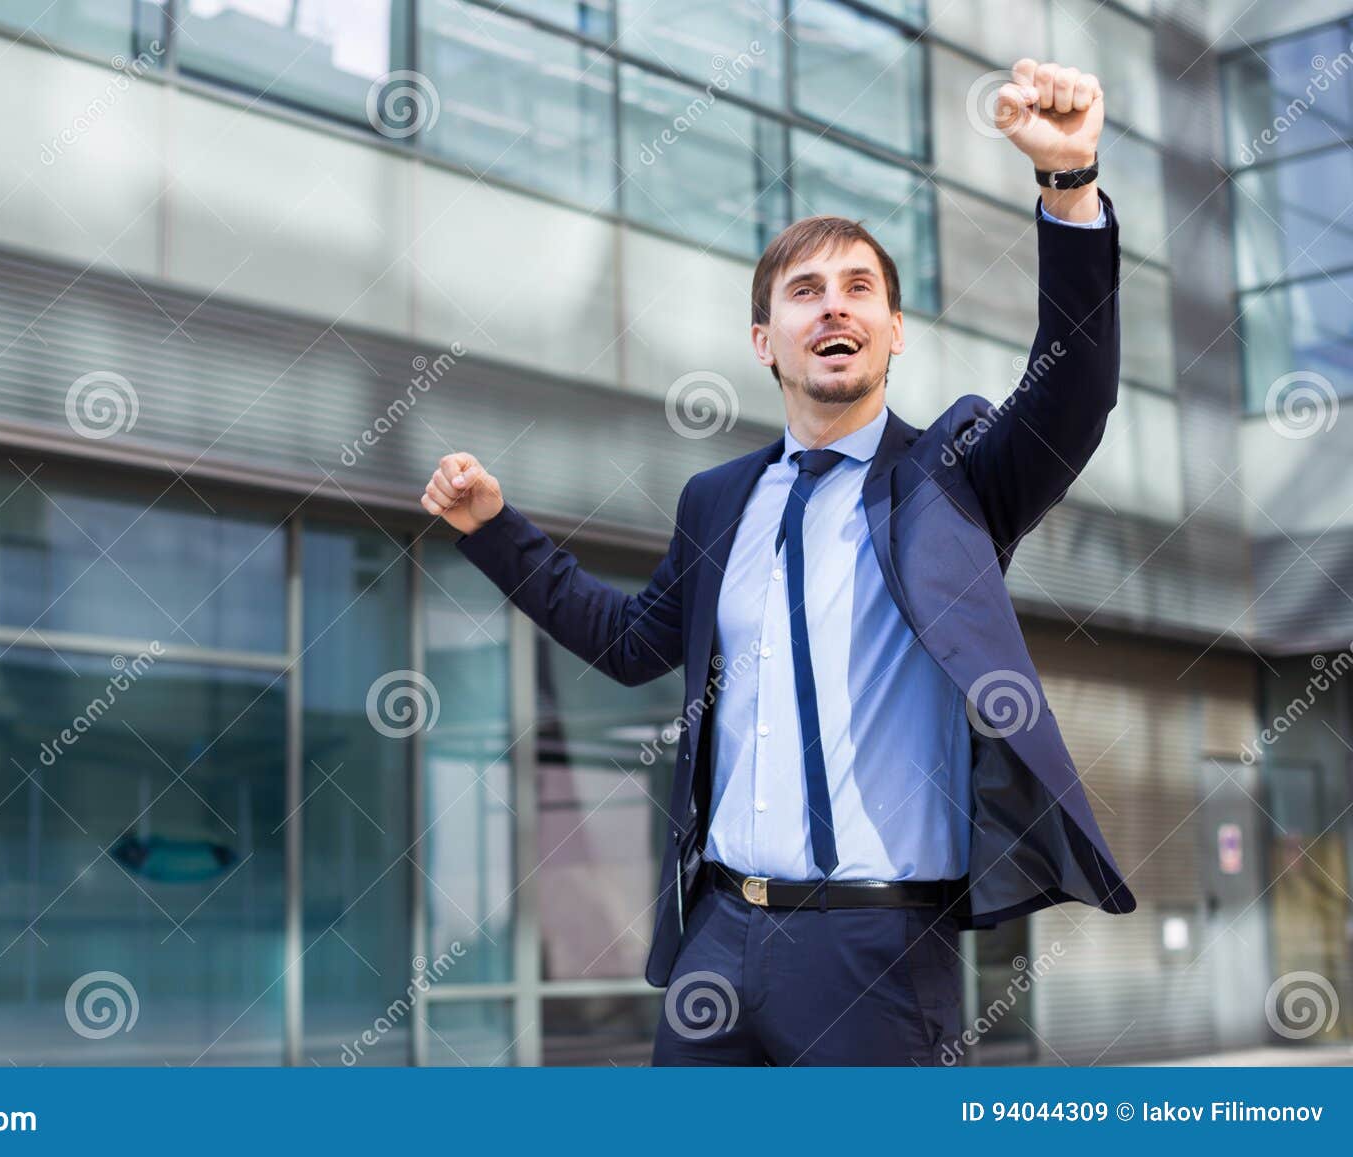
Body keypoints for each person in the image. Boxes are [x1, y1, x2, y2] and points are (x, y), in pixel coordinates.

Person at [420, 58, 1135, 1066]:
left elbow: (1074, 394)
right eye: (805, 292)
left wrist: (1067, 186)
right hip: (717, 936)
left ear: (896, 333)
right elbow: (629, 643)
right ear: (765, 339)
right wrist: (495, 527)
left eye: (858, 290)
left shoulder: (955, 473)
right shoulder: (719, 501)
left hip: (879, 949)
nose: (832, 308)